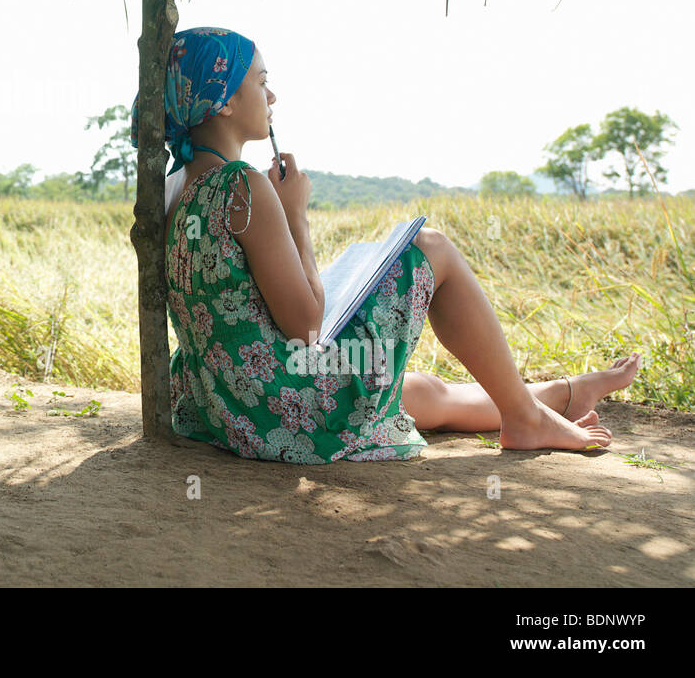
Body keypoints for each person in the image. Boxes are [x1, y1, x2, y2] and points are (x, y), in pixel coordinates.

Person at [130, 26, 640, 462]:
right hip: (283, 416)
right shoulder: (242, 186)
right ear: (222, 99)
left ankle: (560, 395)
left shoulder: (171, 187)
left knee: (417, 392)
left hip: (220, 405)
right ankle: (525, 419)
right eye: (261, 83)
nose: (272, 98)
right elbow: (305, 328)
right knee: (432, 246)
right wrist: (296, 216)